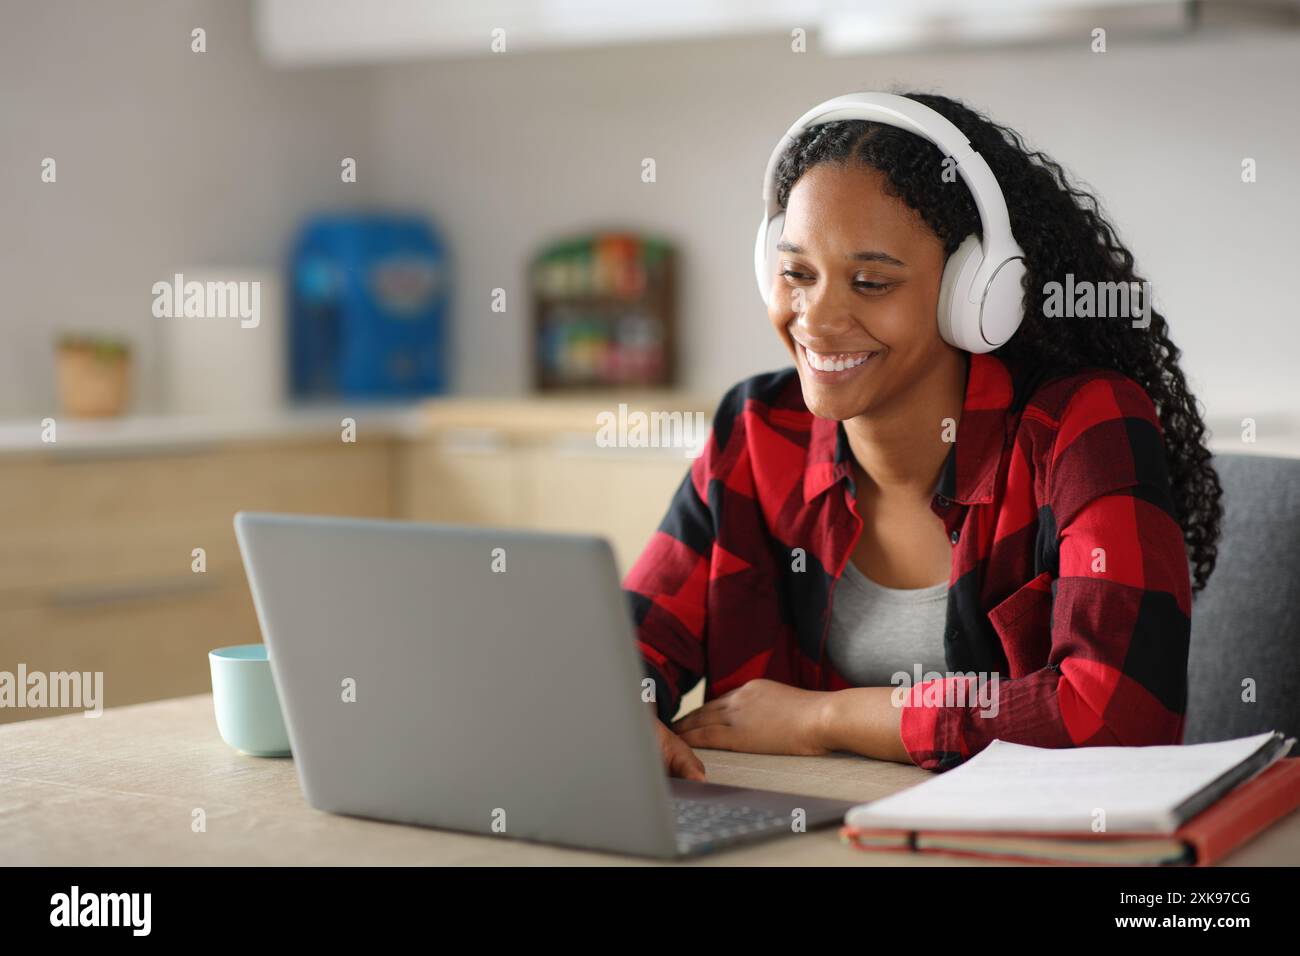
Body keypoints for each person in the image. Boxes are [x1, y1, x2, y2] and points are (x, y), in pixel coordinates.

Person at [626, 91, 1222, 777]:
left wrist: (824, 719)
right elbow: (625, 654)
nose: (816, 319)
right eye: (796, 273)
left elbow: (1117, 718)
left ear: (975, 295)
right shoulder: (760, 430)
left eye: (871, 282)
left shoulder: (1078, 429)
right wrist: (621, 709)